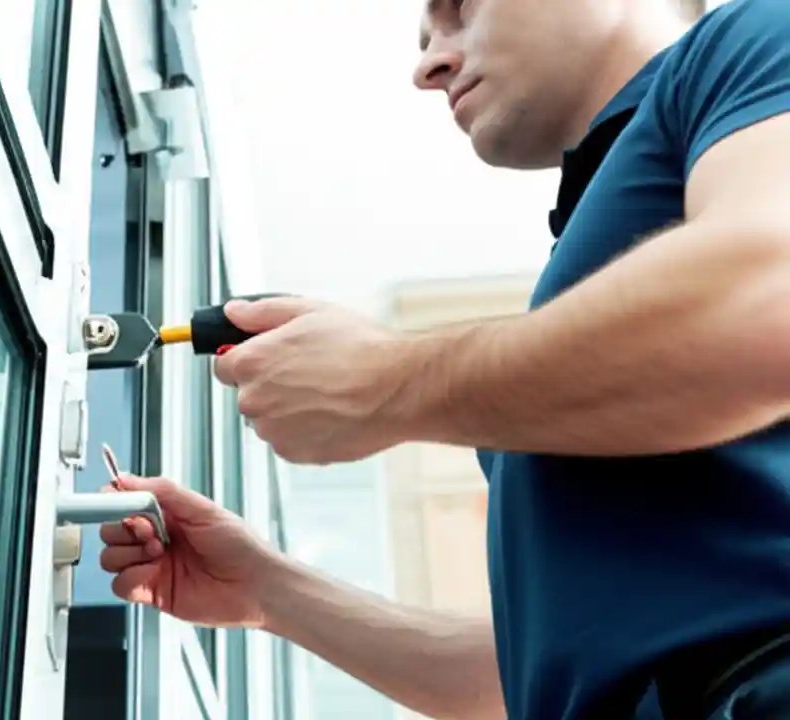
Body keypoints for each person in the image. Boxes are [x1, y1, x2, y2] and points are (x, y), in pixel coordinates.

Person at [100, 0, 790, 717]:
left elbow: (764, 304)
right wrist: (267, 591)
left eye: (459, 7)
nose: (428, 66)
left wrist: (385, 382)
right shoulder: (588, 288)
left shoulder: (762, 37)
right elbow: (523, 677)